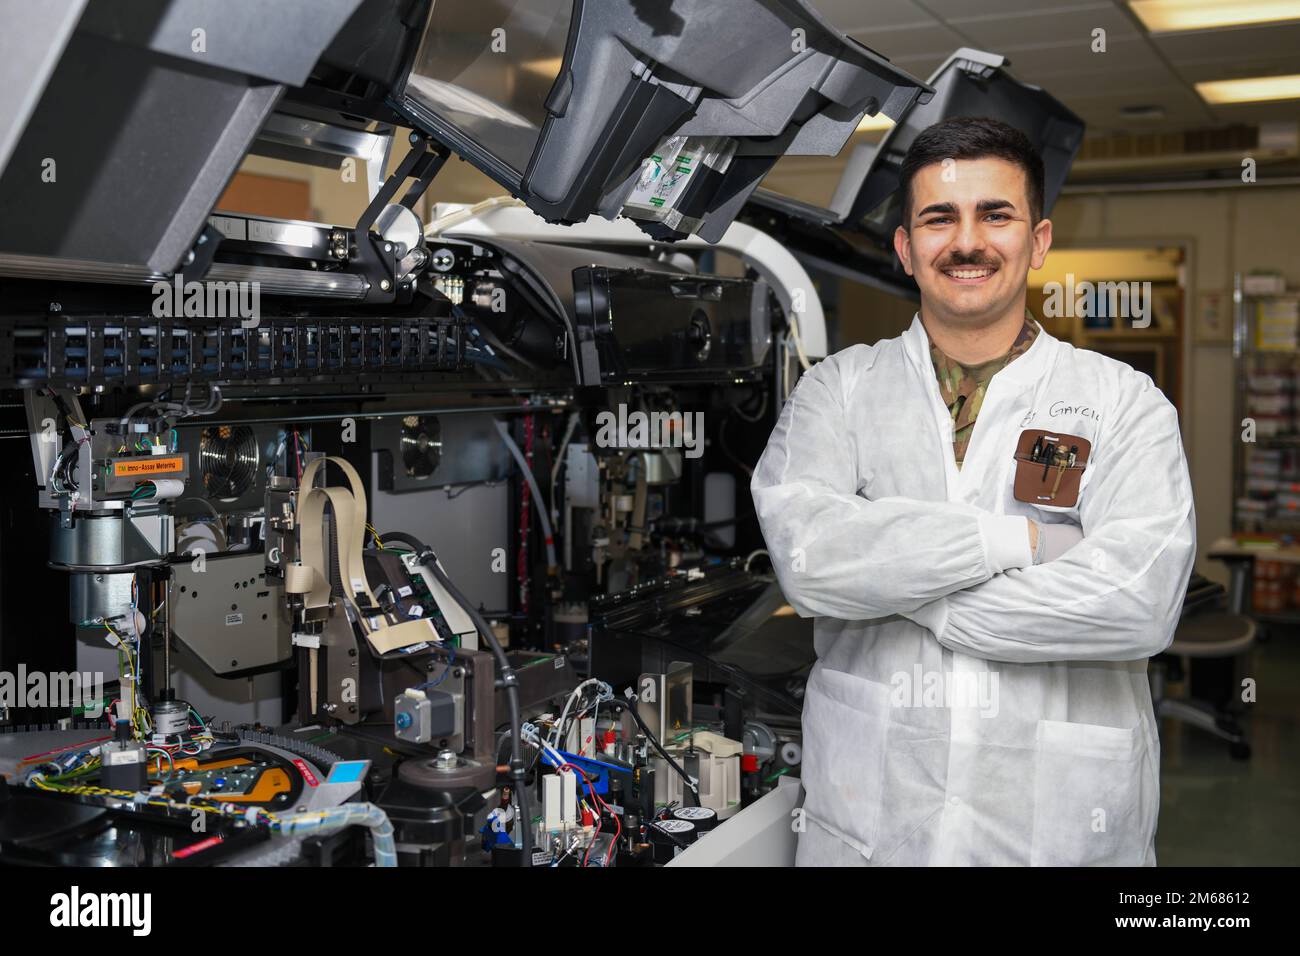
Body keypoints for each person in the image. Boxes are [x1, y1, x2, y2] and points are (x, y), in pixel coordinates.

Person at [751, 116, 1195, 866]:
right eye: (938, 218)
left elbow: (1136, 604)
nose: (967, 242)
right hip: (873, 817)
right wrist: (1020, 543)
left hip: (1056, 825)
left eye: (995, 214)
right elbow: (811, 562)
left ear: (1038, 240)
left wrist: (898, 585)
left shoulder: (1125, 404)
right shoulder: (839, 390)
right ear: (904, 247)